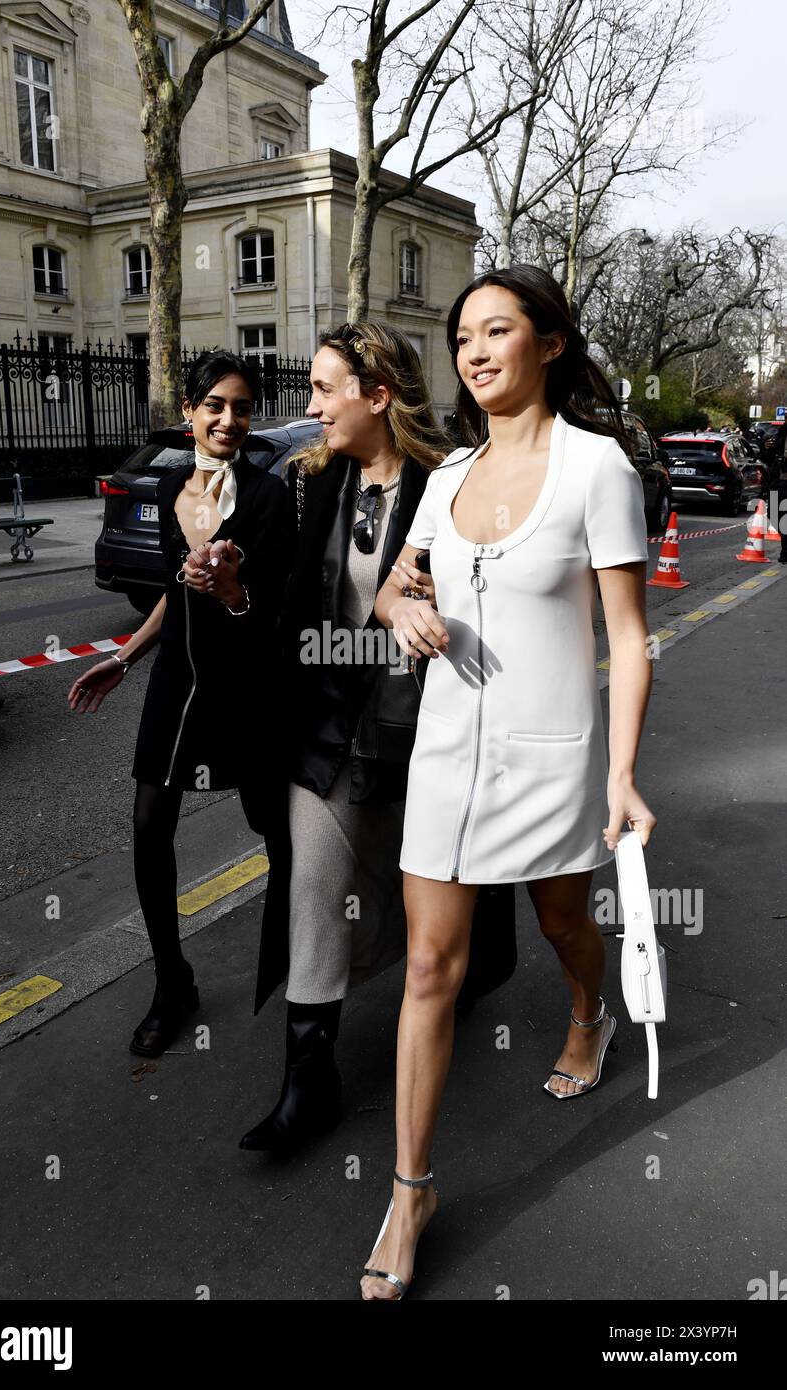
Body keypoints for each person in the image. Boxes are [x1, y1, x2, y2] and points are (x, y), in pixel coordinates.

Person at [359, 266, 658, 1299]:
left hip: (551, 752)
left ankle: (588, 1008)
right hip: (444, 752)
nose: (474, 351)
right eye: (461, 338)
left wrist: (619, 775)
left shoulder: (596, 469)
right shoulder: (443, 479)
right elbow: (398, 582)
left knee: (561, 920)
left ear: (550, 343)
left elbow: (627, 634)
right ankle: (408, 1191)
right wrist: (400, 610)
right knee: (429, 969)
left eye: (496, 330)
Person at [232, 321, 517, 1156]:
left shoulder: (450, 486)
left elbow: (494, 611)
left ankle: (464, 975)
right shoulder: (302, 485)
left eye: (326, 390)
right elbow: (275, 608)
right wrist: (230, 589)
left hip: (420, 734)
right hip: (323, 728)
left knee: (427, 888)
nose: (311, 407)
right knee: (315, 885)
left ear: (378, 396)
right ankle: (306, 1084)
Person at [66, 350, 294, 1056]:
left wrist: (233, 592)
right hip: (176, 679)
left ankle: (307, 961)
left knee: (275, 829)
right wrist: (125, 657)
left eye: (243, 407)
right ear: (191, 412)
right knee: (148, 820)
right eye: (216, 405)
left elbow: (276, 611)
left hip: (245, 682)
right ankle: (172, 982)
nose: (230, 419)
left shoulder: (266, 496)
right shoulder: (169, 495)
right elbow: (172, 590)